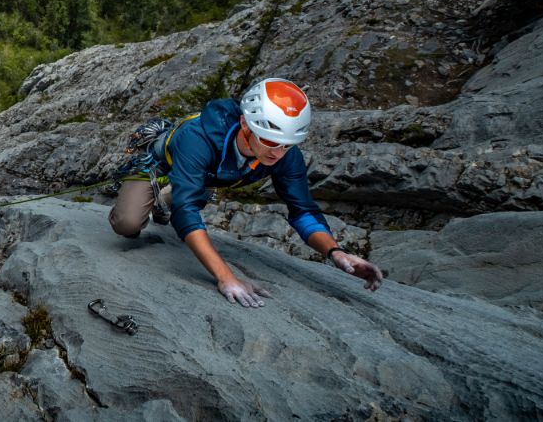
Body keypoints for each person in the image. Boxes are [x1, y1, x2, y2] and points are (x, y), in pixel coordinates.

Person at [108, 77, 384, 308]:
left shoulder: (285, 154)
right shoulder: (198, 138)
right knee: (128, 224)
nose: (277, 153)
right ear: (245, 124)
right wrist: (226, 277)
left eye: (287, 144)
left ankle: (168, 196)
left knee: (188, 194)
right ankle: (159, 192)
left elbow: (302, 210)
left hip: (202, 175)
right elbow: (186, 211)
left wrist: (336, 252)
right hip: (159, 164)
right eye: (270, 142)